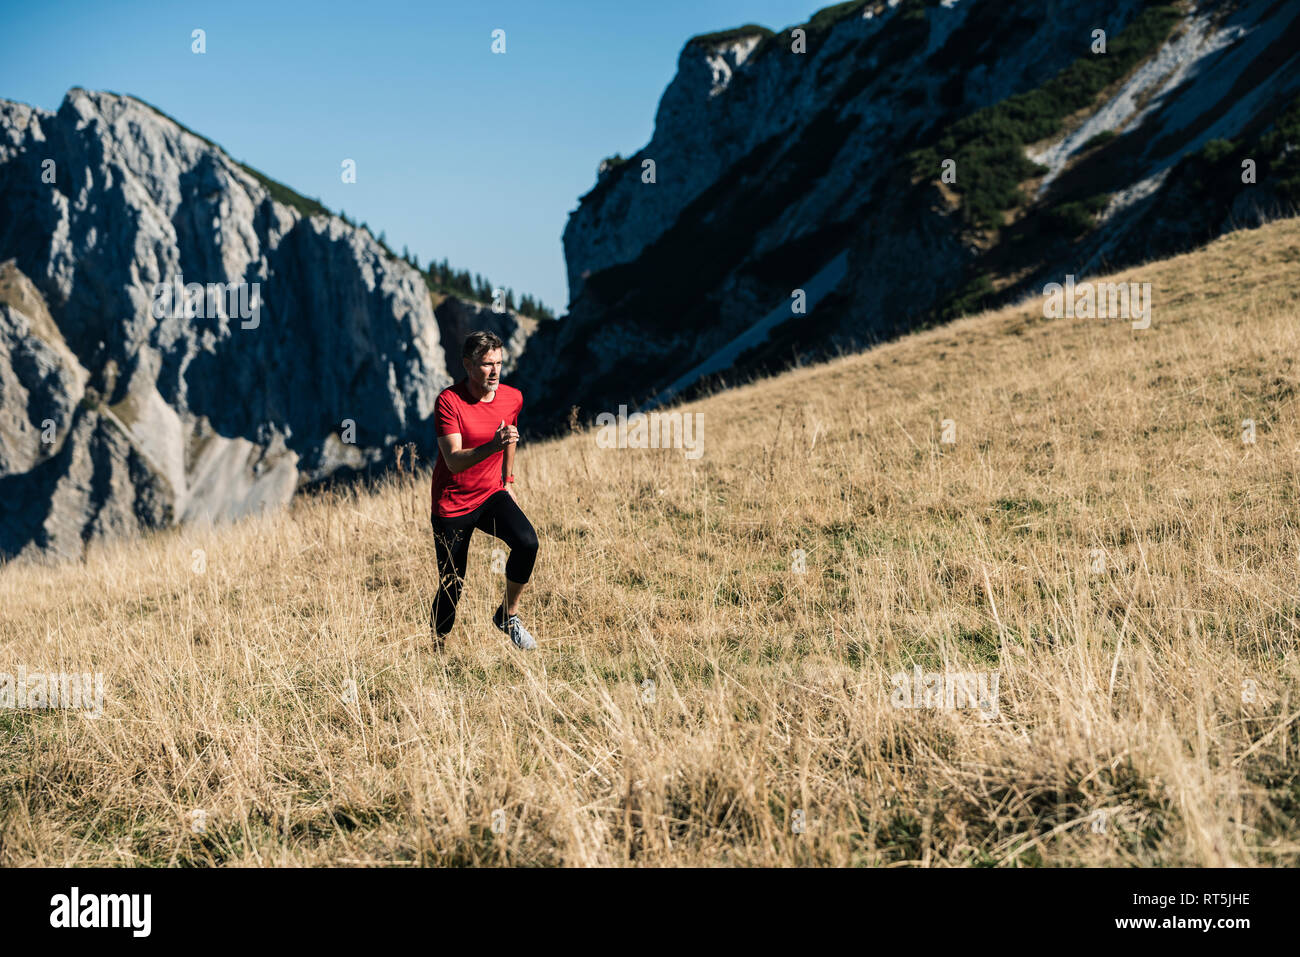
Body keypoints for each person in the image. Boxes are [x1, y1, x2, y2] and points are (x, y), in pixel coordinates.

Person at [429, 331, 539, 650]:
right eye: (487, 364)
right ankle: (438, 646)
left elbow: (511, 435)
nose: (495, 371)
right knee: (453, 585)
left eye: (499, 363)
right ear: (468, 364)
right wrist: (492, 445)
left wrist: (507, 481)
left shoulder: (512, 397)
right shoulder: (449, 402)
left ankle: (508, 615)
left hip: (491, 495)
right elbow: (453, 462)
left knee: (527, 542)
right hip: (452, 506)